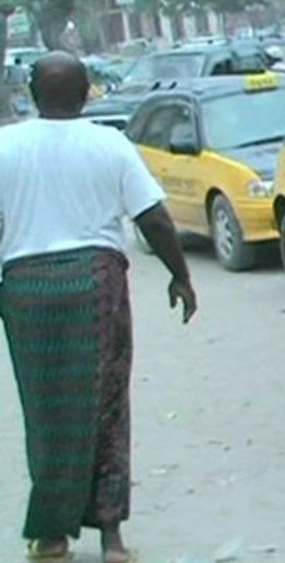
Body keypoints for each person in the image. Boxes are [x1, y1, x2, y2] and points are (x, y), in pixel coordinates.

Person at [0, 52, 198, 563]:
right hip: (95, 283)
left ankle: (51, 537)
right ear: (87, 91)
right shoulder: (109, 144)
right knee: (107, 405)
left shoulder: (5, 146)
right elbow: (153, 217)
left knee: (45, 412)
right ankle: (111, 538)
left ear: (32, 93)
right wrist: (180, 274)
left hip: (26, 289)